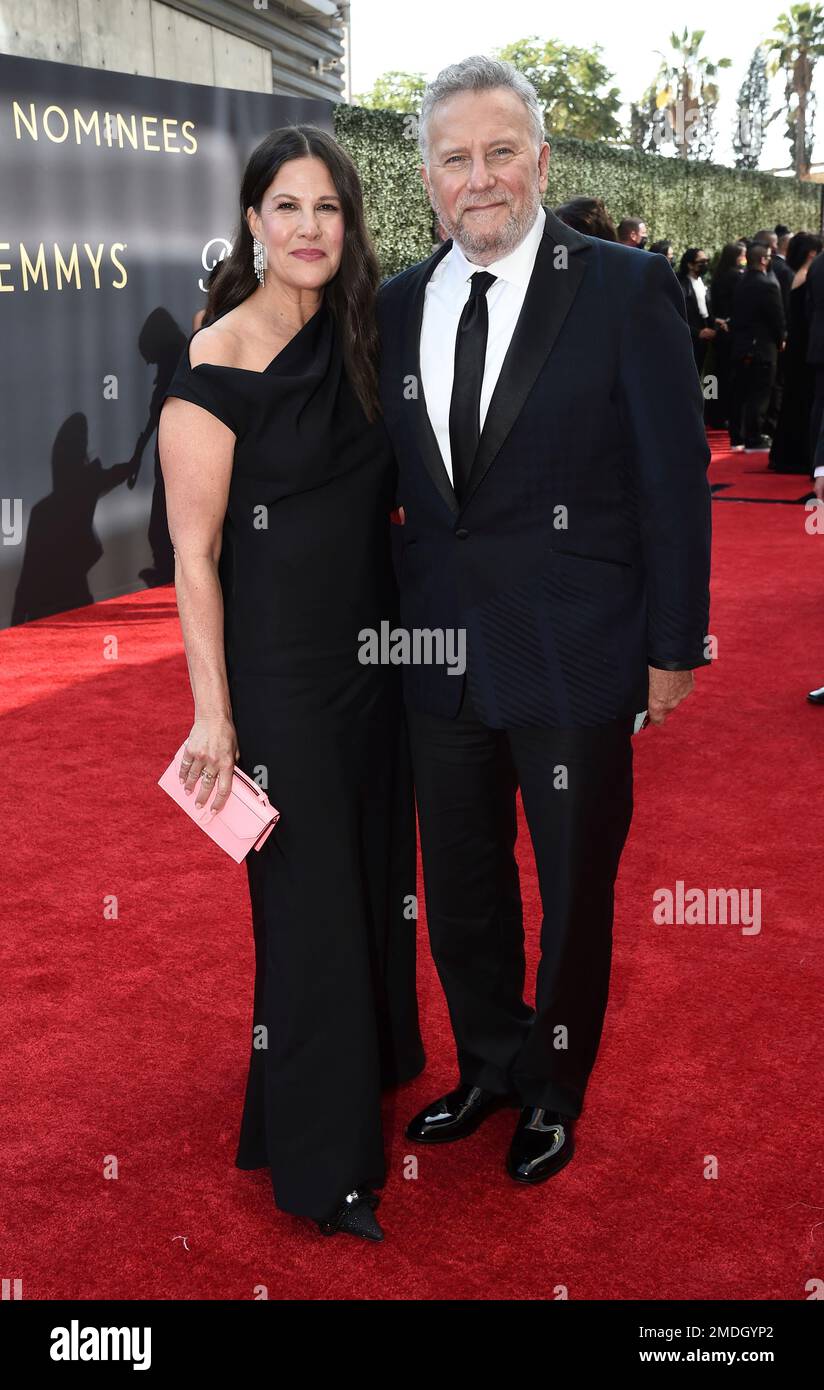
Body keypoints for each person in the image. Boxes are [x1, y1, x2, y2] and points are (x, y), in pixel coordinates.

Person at [377, 56, 711, 1187]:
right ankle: (486, 1062)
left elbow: (673, 482)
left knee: (571, 891)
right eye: (456, 158)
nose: (480, 179)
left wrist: (672, 647)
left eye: (500, 152)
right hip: (439, 658)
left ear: (540, 162)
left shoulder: (621, 287)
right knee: (463, 883)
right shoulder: (390, 306)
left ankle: (552, 1089)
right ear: (426, 176)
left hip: (577, 651)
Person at [157, 126, 425, 1243]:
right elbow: (194, 554)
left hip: (377, 671)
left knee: (368, 888)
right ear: (252, 222)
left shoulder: (365, 335)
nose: (309, 228)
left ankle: (319, 1092)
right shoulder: (212, 364)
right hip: (280, 686)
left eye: (328, 209)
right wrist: (214, 712)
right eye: (287, 207)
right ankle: (325, 1170)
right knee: (309, 913)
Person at [769, 231, 822, 473]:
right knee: (806, 401)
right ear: (811, 252)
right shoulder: (806, 274)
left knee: (796, 400)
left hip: (801, 345)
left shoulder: (796, 274)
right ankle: (803, 456)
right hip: (804, 345)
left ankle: (789, 454)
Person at [728, 242, 786, 452]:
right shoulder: (768, 285)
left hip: (741, 345)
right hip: (762, 347)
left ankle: (737, 438)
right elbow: (776, 318)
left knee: (740, 392)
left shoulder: (741, 281)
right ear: (763, 260)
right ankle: (754, 438)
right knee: (760, 393)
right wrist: (781, 339)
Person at [707, 242, 746, 430]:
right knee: (729, 377)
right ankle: (724, 414)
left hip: (719, 331)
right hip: (730, 332)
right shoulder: (736, 277)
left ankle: (713, 413)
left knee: (717, 375)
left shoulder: (718, 275)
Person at [677, 247, 717, 378]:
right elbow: (678, 318)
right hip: (691, 340)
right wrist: (697, 332)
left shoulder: (700, 282)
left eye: (707, 260)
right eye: (702, 261)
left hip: (704, 338)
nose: (705, 264)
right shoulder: (682, 286)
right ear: (690, 265)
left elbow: (704, 309)